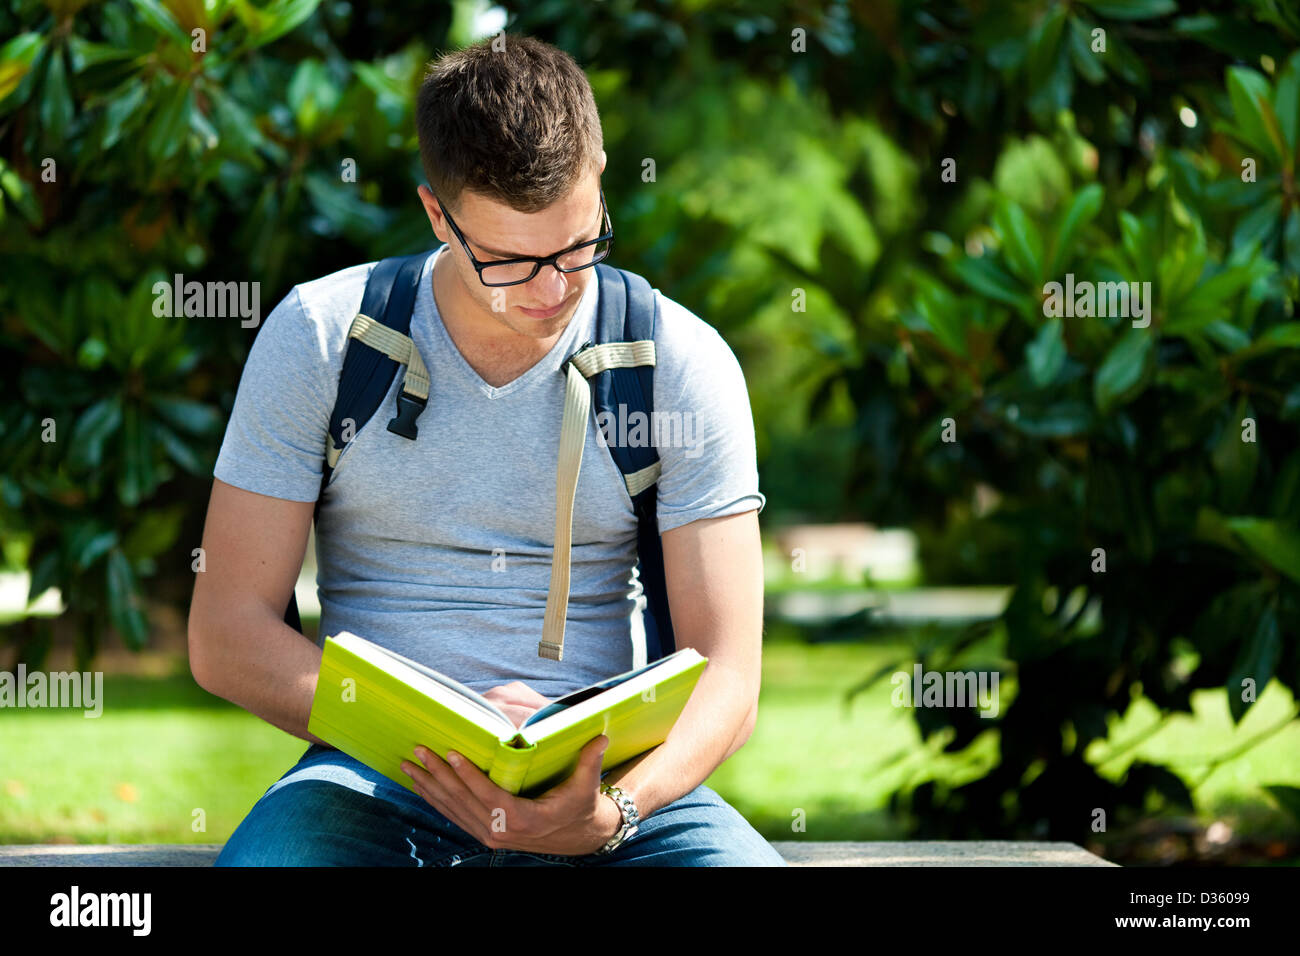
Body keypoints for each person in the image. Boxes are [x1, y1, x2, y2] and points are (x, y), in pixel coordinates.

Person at [189, 34, 785, 867]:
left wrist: (613, 808)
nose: (551, 290)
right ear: (437, 214)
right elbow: (227, 637)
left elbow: (731, 677)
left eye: (578, 246)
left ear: (602, 172)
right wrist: (441, 744)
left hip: (609, 787)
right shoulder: (322, 339)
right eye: (508, 260)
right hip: (370, 777)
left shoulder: (678, 363)